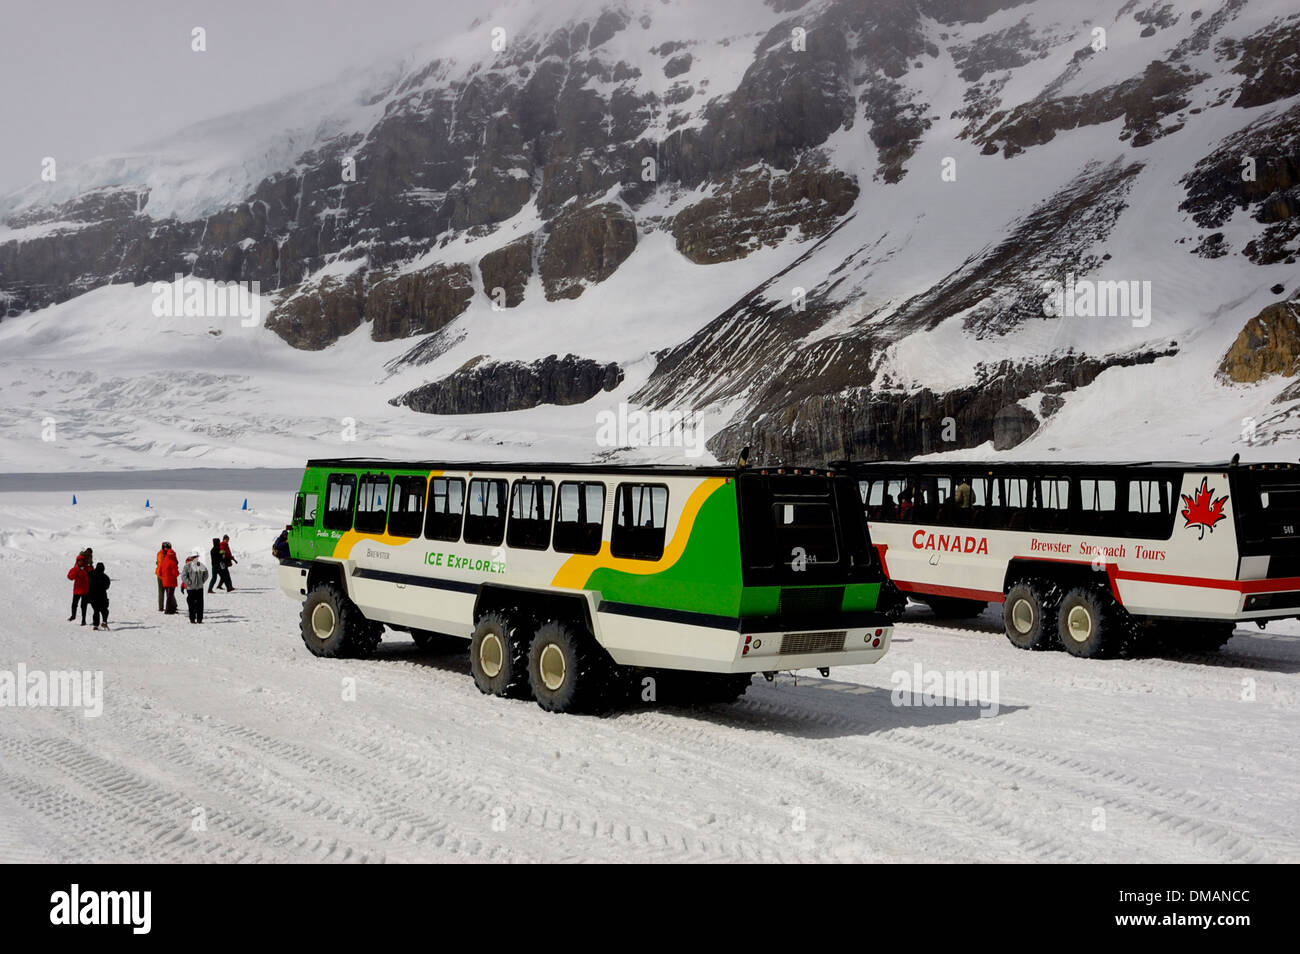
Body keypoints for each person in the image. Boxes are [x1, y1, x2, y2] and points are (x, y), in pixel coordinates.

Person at [180, 549, 209, 623]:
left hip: (199, 588)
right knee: (191, 604)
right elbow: (183, 576)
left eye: (196, 557)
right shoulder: (187, 566)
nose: (195, 558)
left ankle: (199, 619)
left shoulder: (200, 565)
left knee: (200, 605)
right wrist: (188, 582)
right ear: (191, 558)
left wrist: (202, 581)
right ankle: (192, 619)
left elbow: (206, 574)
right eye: (194, 557)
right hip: (191, 589)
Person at [67, 551, 91, 625]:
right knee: (74, 604)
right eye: (79, 561)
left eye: (82, 561)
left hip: (85, 591)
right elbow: (70, 577)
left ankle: (83, 620)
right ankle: (73, 616)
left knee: (83, 606)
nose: (80, 562)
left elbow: (92, 574)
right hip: (77, 590)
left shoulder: (87, 568)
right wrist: (77, 570)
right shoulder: (75, 569)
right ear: (77, 561)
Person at [89, 562, 111, 631]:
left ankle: (96, 625)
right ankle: (104, 622)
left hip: (93, 596)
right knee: (104, 609)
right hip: (102, 596)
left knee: (96, 611)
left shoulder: (90, 574)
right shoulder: (105, 577)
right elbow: (107, 586)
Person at [159, 544, 180, 614]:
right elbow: (175, 573)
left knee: (169, 595)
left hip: (165, 581)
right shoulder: (173, 562)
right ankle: (168, 610)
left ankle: (170, 609)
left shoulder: (164, 561)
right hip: (171, 581)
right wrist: (178, 573)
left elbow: (160, 571)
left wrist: (164, 577)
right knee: (170, 596)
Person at [155, 542, 170, 612]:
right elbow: (162, 564)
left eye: (168, 547)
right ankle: (161, 607)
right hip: (161, 575)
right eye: (166, 547)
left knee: (169, 591)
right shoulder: (161, 554)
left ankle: (172, 606)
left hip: (167, 575)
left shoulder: (169, 553)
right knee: (161, 592)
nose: (167, 549)